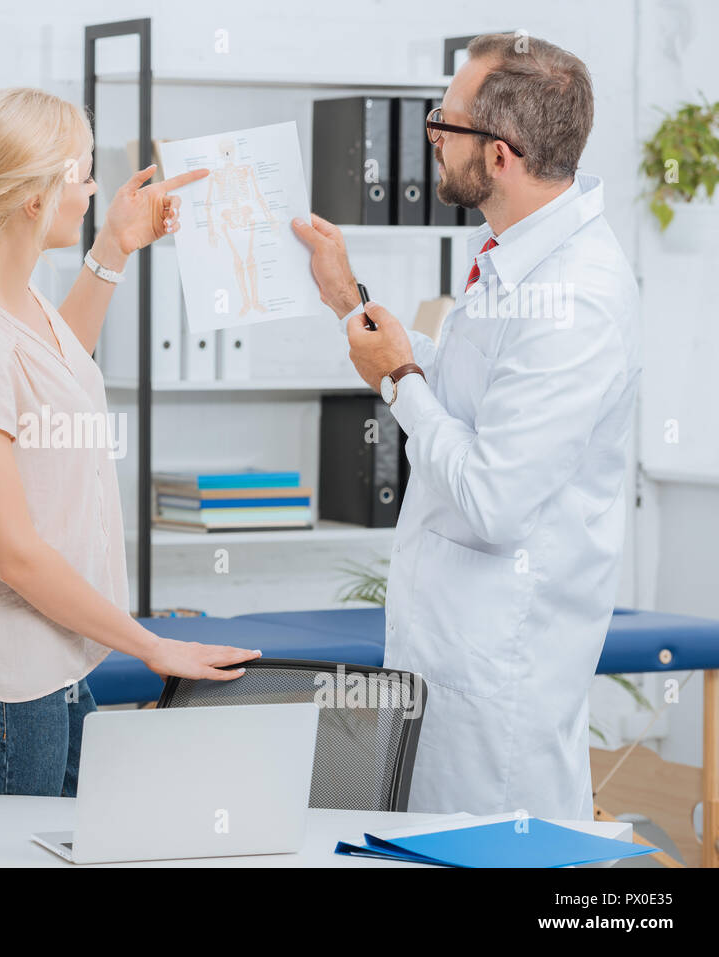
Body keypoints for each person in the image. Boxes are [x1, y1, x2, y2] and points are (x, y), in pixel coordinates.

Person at [292, 33, 641, 819]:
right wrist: (350, 301)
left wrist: (397, 380)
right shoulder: (516, 255)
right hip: (446, 659)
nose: (430, 140)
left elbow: (493, 499)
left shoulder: (576, 300)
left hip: (499, 688)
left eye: (442, 124)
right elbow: (466, 391)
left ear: (502, 155)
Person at [0, 87, 260, 797]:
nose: (94, 187)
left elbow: (58, 368)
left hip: (55, 651)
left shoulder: (14, 297)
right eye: (81, 173)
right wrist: (153, 645)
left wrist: (113, 248)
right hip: (4, 674)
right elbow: (14, 554)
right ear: (35, 198)